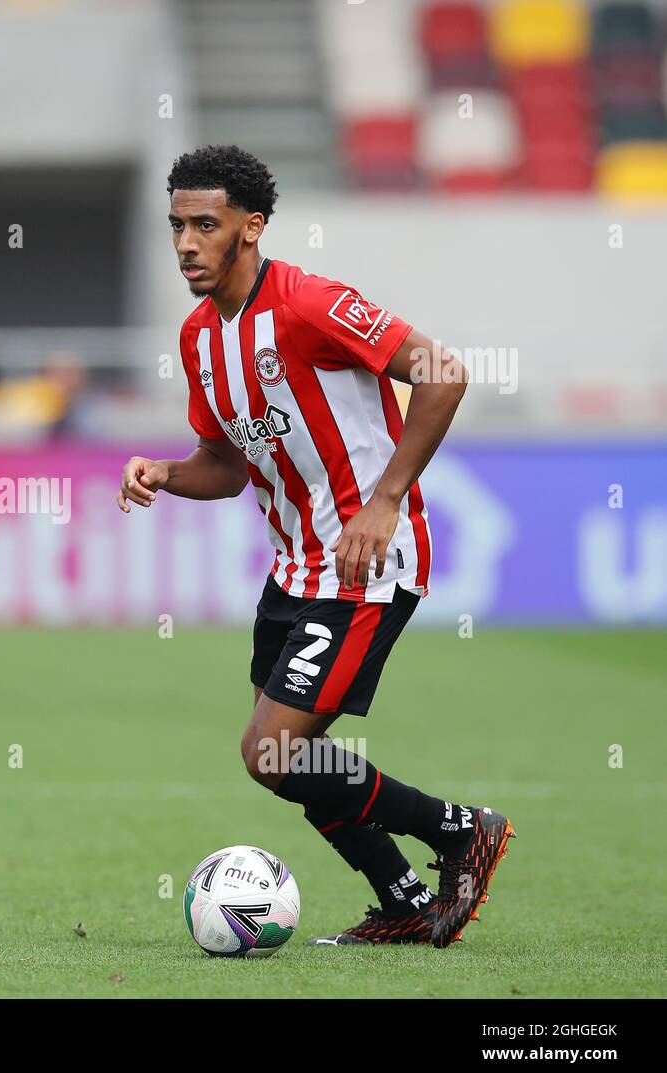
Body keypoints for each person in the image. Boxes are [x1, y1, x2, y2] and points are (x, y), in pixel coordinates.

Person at [117, 144, 514, 947]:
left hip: (366, 562)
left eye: (205, 225)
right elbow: (225, 469)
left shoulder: (312, 303)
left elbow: (442, 372)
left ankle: (459, 831)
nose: (186, 243)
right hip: (295, 568)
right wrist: (165, 471)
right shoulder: (200, 338)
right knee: (285, 756)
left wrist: (385, 502)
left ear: (251, 227)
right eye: (176, 227)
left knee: (272, 752)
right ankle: (403, 899)